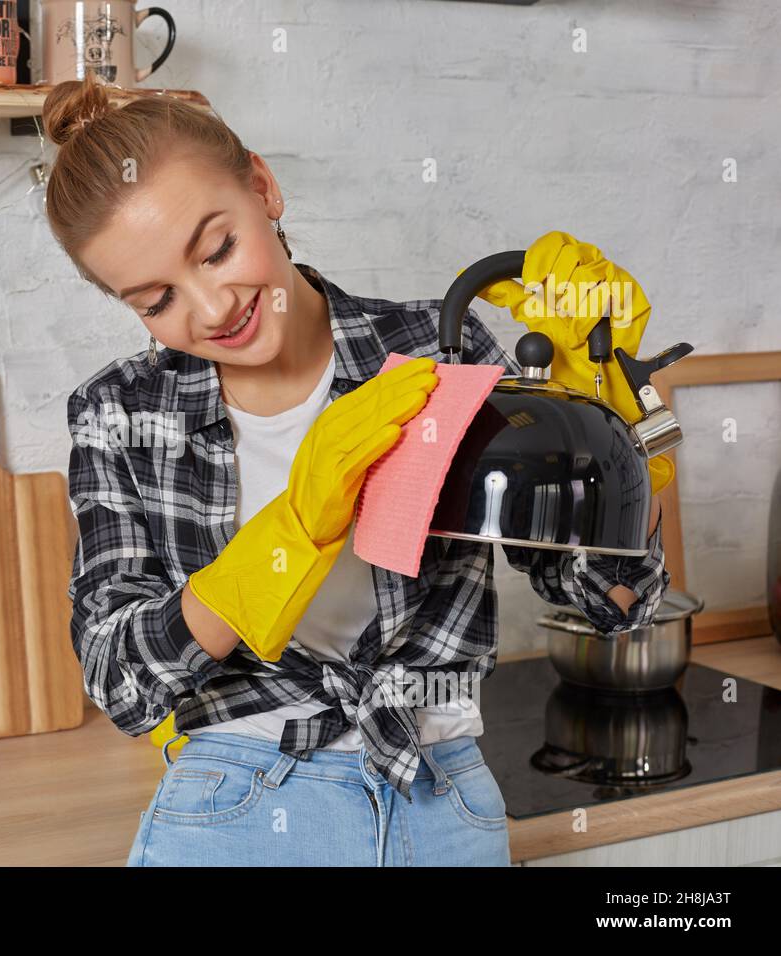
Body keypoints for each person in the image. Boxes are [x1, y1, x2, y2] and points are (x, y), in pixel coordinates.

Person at [45, 75, 670, 866]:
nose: (210, 307)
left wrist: (619, 431)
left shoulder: (441, 355)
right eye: (155, 299)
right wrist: (288, 537)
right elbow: (120, 682)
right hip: (237, 799)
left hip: (439, 793)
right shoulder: (120, 412)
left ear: (264, 188)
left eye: (218, 249)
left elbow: (606, 603)